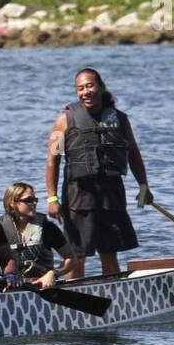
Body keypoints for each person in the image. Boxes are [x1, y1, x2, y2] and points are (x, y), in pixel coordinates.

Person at [45, 68, 151, 278]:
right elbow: (52, 160)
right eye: (80, 88)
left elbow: (134, 154)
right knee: (77, 255)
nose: (85, 92)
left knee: (109, 253)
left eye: (90, 86)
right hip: (78, 197)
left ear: (101, 87)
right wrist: (52, 198)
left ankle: (115, 298)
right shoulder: (64, 119)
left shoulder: (120, 119)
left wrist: (143, 186)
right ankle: (74, 302)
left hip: (111, 196)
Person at [0, 182, 79, 288]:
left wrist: (54, 273)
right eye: (29, 200)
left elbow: (71, 258)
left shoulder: (48, 227)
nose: (34, 203)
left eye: (35, 200)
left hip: (43, 285)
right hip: (11, 286)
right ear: (12, 203)